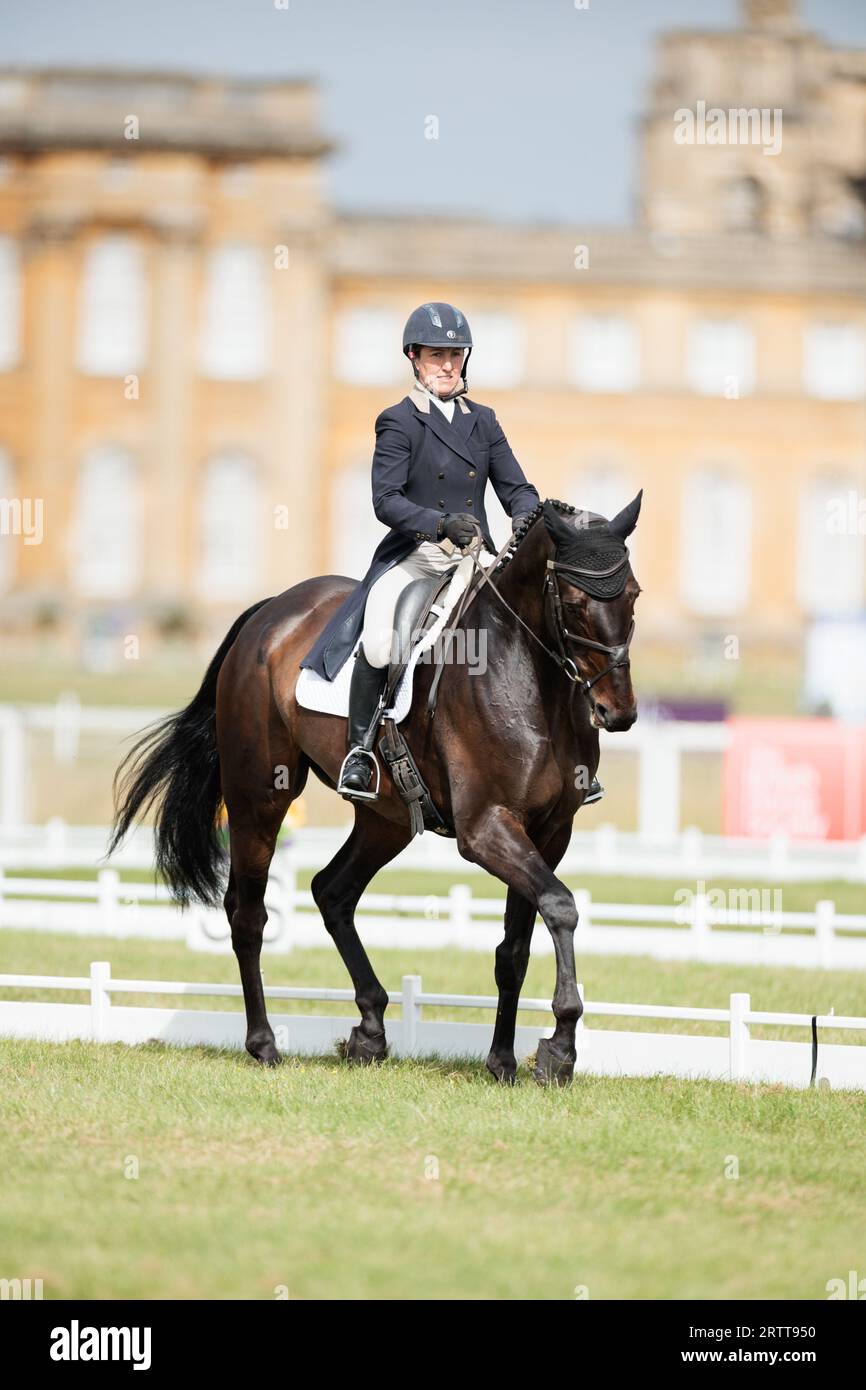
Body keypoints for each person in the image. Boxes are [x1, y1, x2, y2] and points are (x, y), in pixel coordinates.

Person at [298, 301, 603, 806]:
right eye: (437, 355)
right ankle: (359, 752)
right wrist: (439, 523)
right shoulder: (398, 421)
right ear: (414, 358)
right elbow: (386, 500)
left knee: (541, 627)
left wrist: (527, 516)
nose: (447, 365)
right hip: (417, 556)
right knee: (380, 642)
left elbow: (517, 487)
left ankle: (572, 759)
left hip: (475, 558)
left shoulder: (483, 422)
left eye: (455, 356)